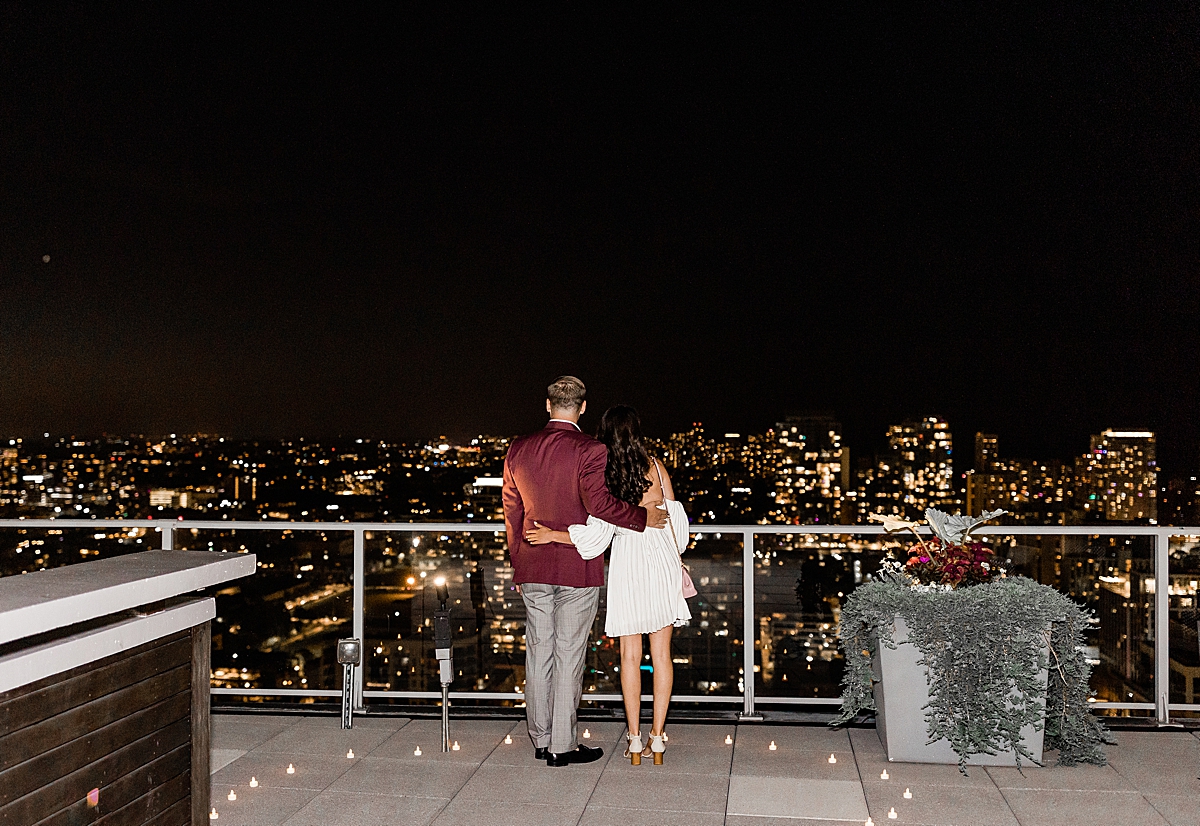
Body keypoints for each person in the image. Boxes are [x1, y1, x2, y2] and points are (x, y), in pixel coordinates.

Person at [502, 377, 669, 767]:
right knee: (569, 656)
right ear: (582, 407)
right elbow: (603, 506)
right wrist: (643, 517)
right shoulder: (590, 450)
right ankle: (563, 744)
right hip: (577, 568)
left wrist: (518, 565)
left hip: (533, 564)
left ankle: (540, 739)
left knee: (538, 653)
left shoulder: (518, 449)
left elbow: (512, 514)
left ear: (547, 405)